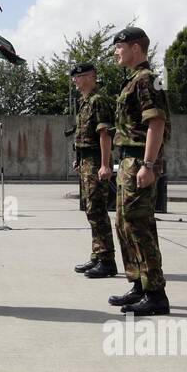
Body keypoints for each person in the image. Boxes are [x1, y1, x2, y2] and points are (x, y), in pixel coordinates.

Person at [107, 28, 171, 316]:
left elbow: (155, 124)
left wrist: (148, 165)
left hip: (139, 162)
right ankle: (138, 284)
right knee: (124, 224)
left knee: (140, 226)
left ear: (135, 47)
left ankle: (156, 293)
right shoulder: (131, 81)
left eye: (119, 46)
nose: (115, 52)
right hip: (128, 161)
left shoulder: (147, 80)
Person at [70, 62, 117, 279]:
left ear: (89, 77)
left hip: (97, 161)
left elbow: (104, 134)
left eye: (78, 77)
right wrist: (78, 158)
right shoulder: (84, 102)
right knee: (91, 210)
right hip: (86, 161)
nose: (75, 82)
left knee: (98, 210)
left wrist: (105, 164)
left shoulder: (99, 101)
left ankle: (107, 260)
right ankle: (98, 255)